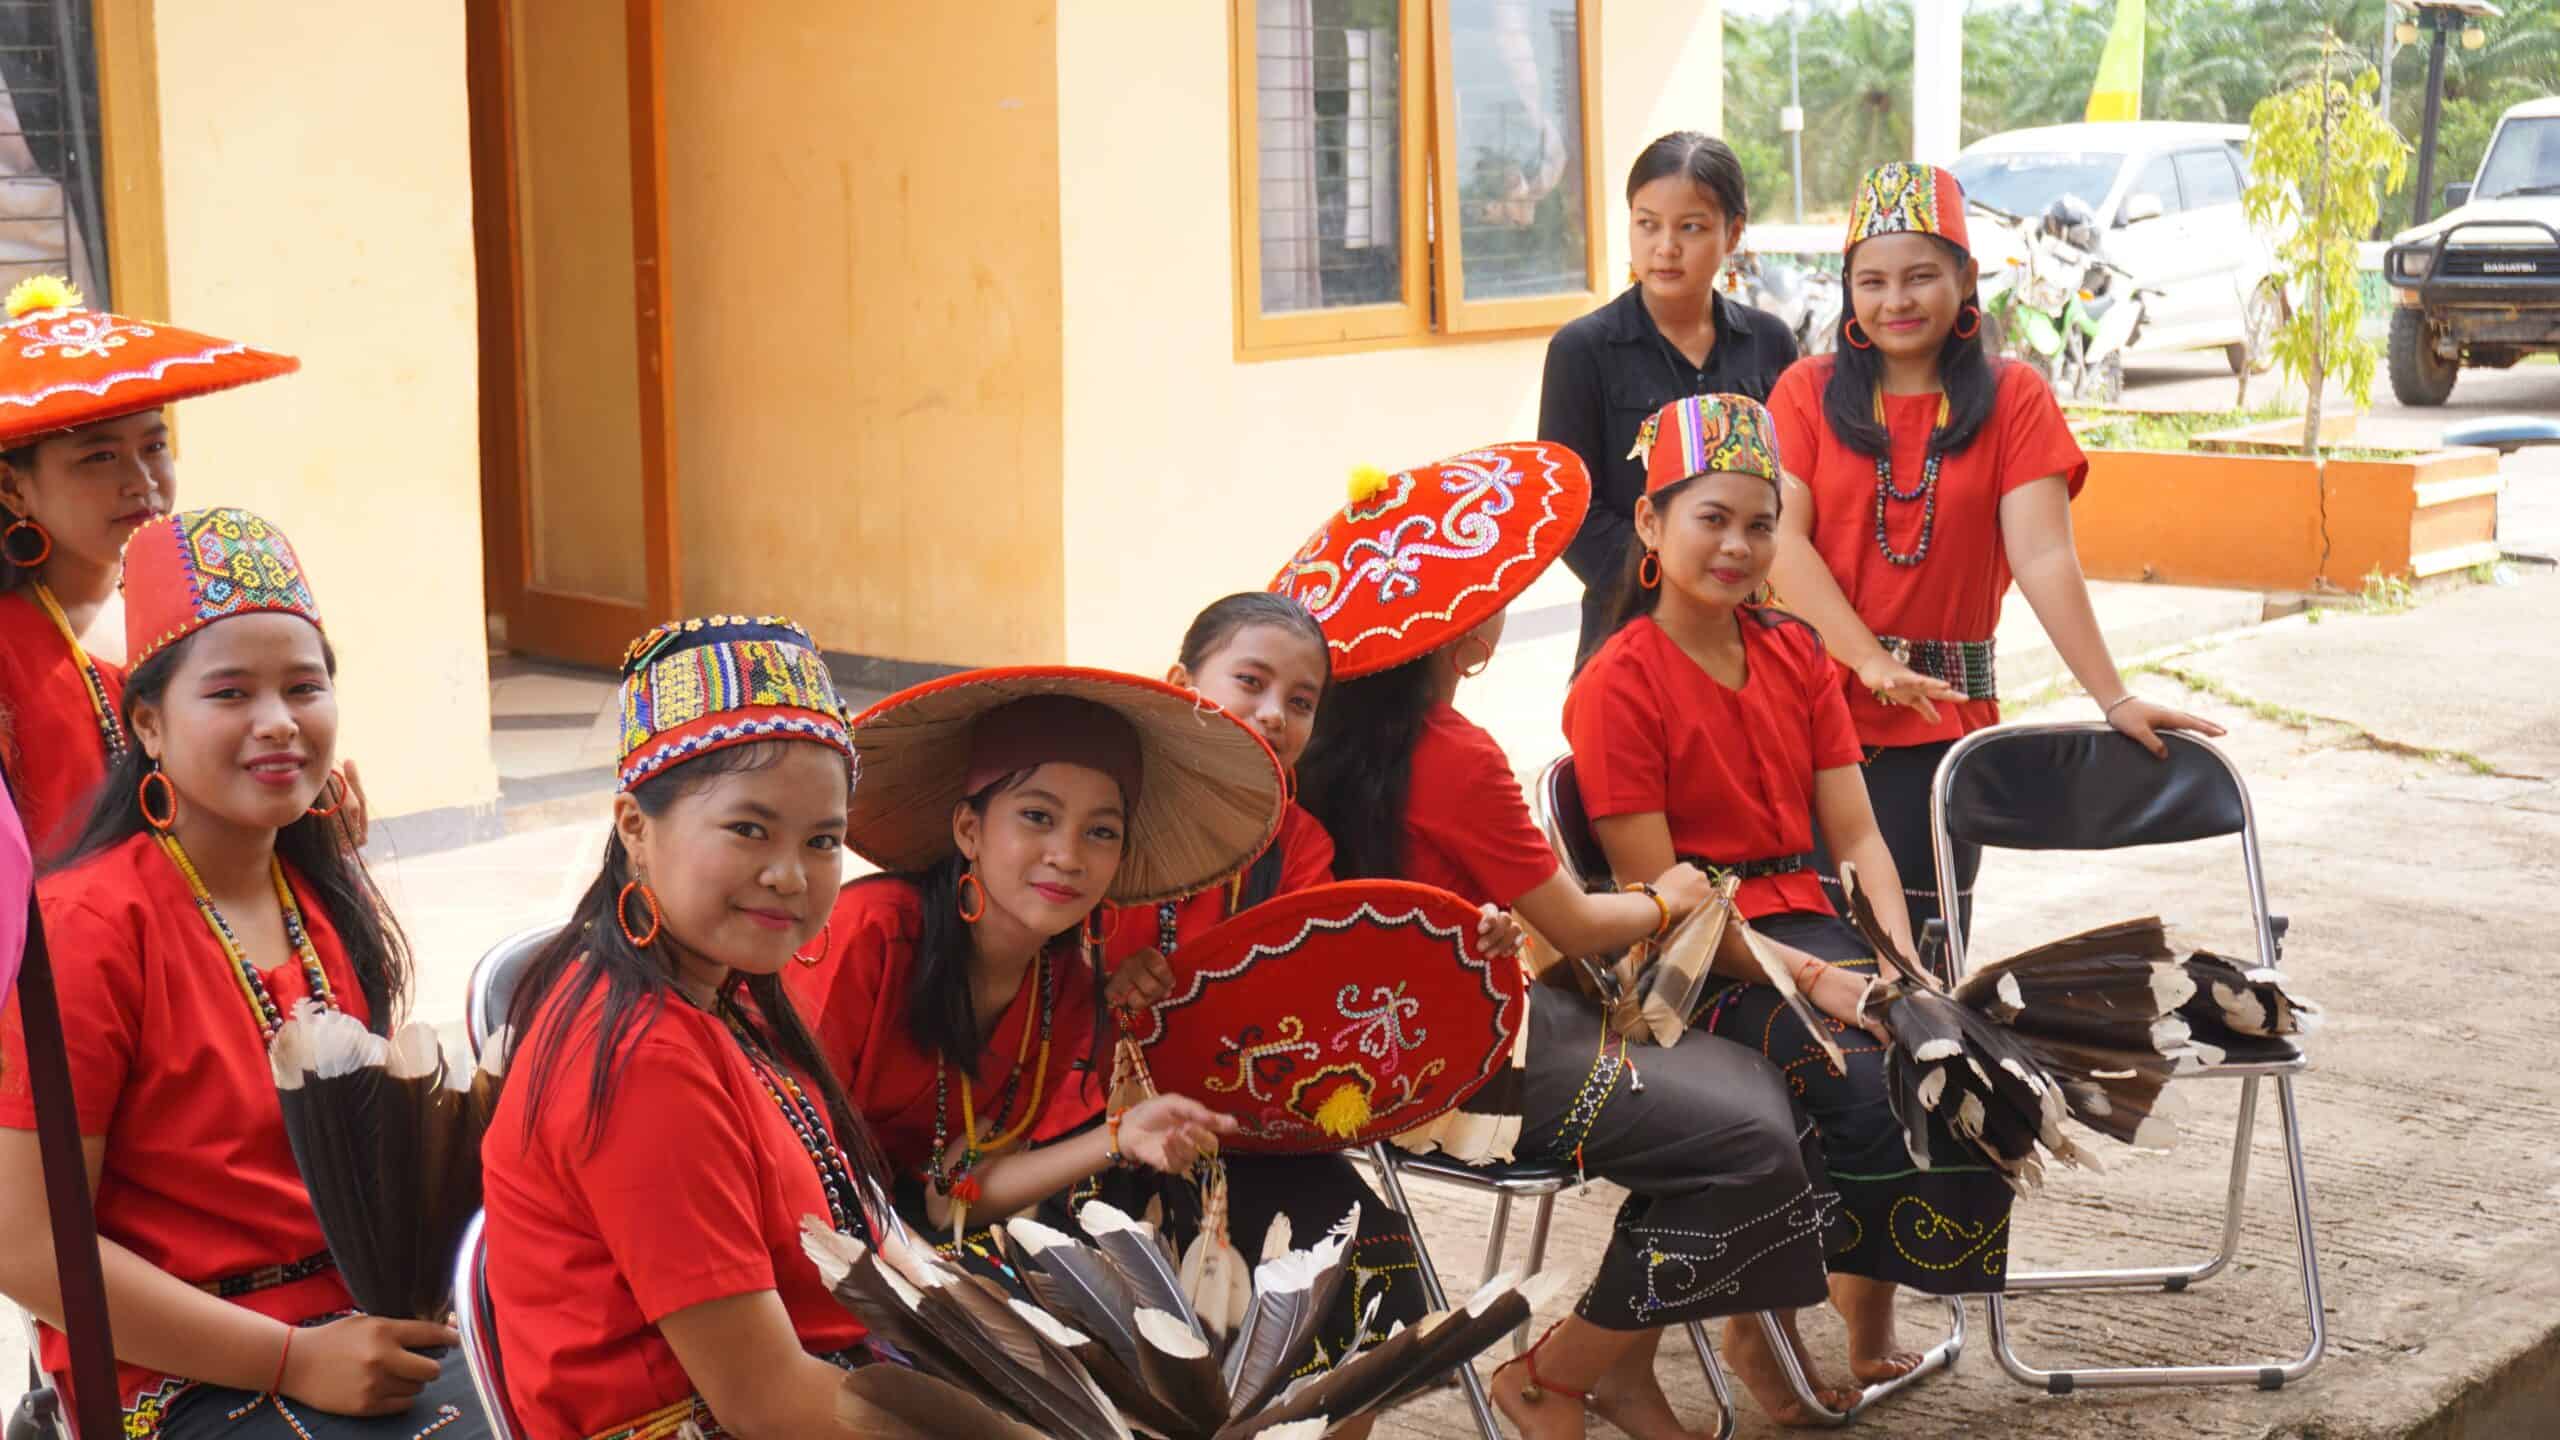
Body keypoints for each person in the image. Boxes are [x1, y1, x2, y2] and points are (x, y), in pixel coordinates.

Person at [1283, 443, 1837, 1440]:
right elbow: (1577, 922)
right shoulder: (1449, 756)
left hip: (1389, 1044)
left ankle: (1604, 1371)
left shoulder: (1328, 738)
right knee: (1754, 1133)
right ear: (1472, 636)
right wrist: (1670, 900)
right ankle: (1561, 1372)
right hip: (1470, 1055)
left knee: (1748, 1107)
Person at [1564, 393, 2013, 1424]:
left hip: (1817, 921)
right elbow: (1665, 905)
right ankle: (1760, 1334)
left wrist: (1899, 966)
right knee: (1856, 1079)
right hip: (1698, 964)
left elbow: (1857, 836)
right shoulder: (1615, 685)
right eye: (1709, 518)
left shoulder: (1796, 654)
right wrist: (1826, 983)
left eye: (1759, 524)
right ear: (1648, 524)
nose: (1736, 545)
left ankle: (1865, 1327)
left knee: (1947, 1053)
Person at [0, 508, 487, 1440]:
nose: (278, 724)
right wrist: (292, 1359)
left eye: (304, 687)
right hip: (177, 1373)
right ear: (147, 723)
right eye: (229, 694)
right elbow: (25, 1245)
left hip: (358, 1330)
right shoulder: (87, 928)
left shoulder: (319, 902)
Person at [1766, 162, 2221, 937]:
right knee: (1806, 951)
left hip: (1938, 728)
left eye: (1920, 277)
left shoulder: (2014, 399)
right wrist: (1868, 660)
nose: (1895, 301)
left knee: (1921, 956)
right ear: (1848, 291)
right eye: (1870, 282)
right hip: (1803, 715)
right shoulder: (1805, 393)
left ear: (1966, 277)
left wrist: (2113, 697)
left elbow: (2044, 559)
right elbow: (1779, 541)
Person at [481, 614, 900, 1439]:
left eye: (823, 841)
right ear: (635, 826)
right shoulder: (643, 1059)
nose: (789, 875)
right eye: (749, 829)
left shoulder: (723, 993)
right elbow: (769, 1406)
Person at [787, 667, 1266, 1282]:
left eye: (1100, 831)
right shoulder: (867, 934)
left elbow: (957, 1191)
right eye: (1038, 816)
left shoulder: (1061, 992)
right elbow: (789, 1150)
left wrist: (1118, 1137)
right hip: (790, 1225)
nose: (1067, 856)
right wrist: (915, 1265)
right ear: (970, 829)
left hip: (896, 1238)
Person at [0, 276, 304, 859]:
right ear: (14, 489)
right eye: (99, 456)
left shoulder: (205, 603)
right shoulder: (9, 647)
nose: (141, 482)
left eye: (154, 447)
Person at [1541, 133, 1799, 666]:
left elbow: (1790, 489)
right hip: (1626, 628)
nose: (1665, 247)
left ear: (1733, 233)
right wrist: (1672, 585)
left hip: (1749, 627)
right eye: (1647, 223)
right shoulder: (1583, 349)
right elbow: (1568, 508)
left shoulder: (1770, 343)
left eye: (1691, 227)